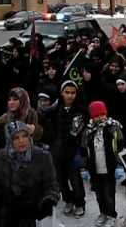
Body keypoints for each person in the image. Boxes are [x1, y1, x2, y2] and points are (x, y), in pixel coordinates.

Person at [0, 121, 59, 227]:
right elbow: (0, 186)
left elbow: (52, 185)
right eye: (16, 138)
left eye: (24, 136)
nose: (21, 141)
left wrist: (48, 201)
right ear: (9, 140)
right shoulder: (3, 156)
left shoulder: (43, 156)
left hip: (35, 212)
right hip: (11, 213)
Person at [40, 81, 87, 218]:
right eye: (67, 92)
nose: (70, 96)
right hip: (57, 150)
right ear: (62, 93)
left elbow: (78, 132)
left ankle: (80, 203)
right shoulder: (56, 108)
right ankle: (68, 200)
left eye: (73, 93)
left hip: (74, 151)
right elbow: (47, 124)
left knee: (75, 179)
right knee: (60, 179)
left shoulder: (81, 110)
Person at [83, 101, 124, 227]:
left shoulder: (113, 128)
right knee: (99, 194)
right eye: (97, 115)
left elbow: (120, 147)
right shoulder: (88, 131)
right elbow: (84, 149)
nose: (100, 117)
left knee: (109, 194)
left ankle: (112, 214)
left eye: (102, 114)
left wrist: (118, 165)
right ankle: (103, 213)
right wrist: (85, 168)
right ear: (92, 117)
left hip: (109, 167)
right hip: (95, 169)